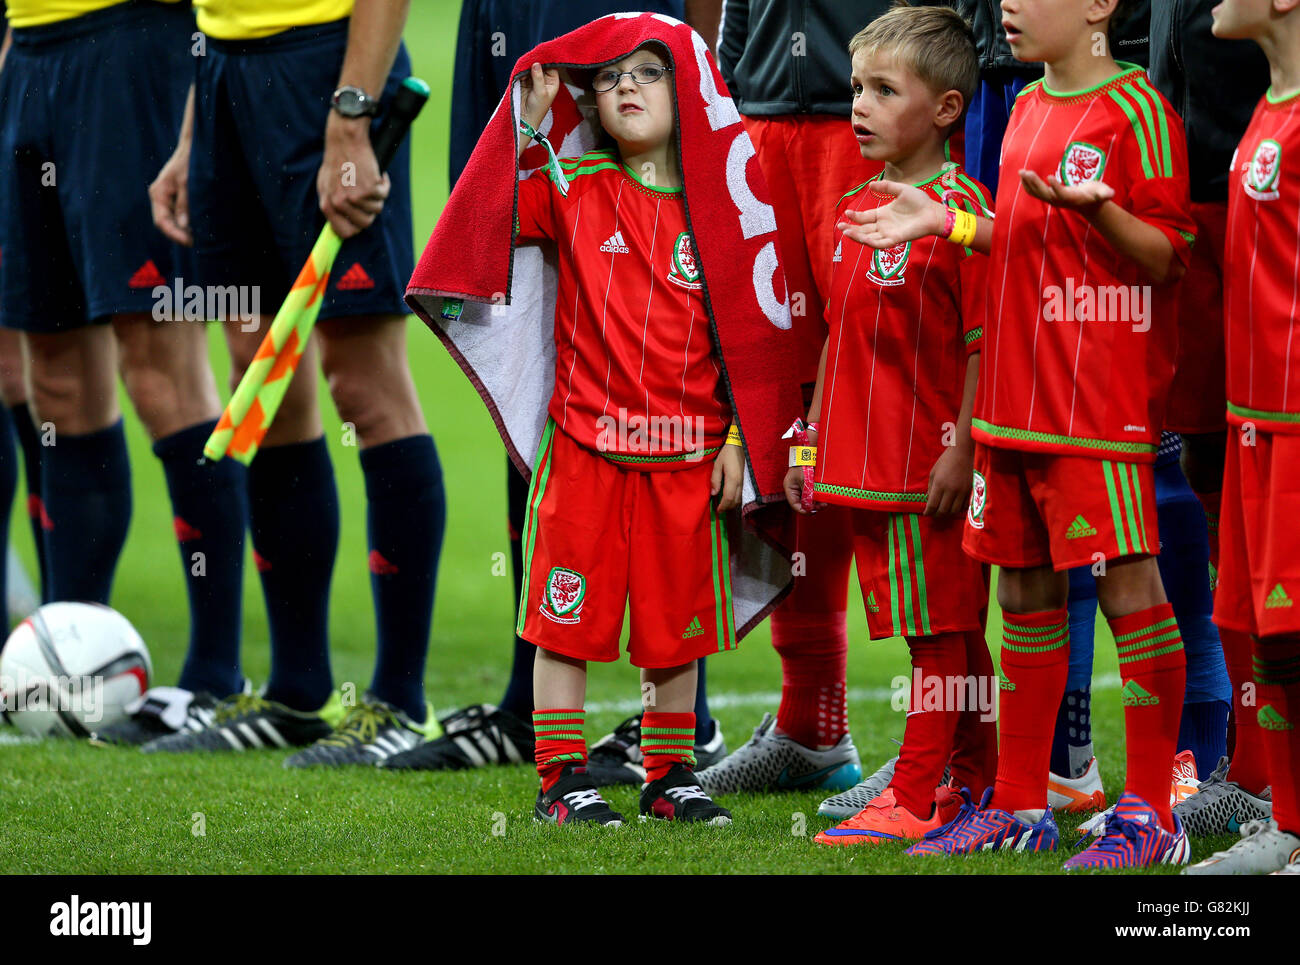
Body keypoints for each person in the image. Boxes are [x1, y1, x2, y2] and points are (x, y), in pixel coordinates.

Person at [850, 0, 1197, 869]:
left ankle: (1152, 812)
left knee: (1127, 584)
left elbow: (1168, 256)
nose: (1008, 5)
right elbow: (1025, 241)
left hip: (1096, 400)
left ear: (1098, 6)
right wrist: (950, 223)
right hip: (1014, 399)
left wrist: (1100, 214)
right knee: (1023, 593)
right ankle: (1016, 804)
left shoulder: (1139, 108)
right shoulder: (1029, 109)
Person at [384, 0, 732, 782]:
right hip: (585, 454)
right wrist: (522, 128)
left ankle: (672, 778)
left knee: (676, 630)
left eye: (649, 72)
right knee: (563, 621)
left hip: (686, 457)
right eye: (609, 78)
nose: (629, 88)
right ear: (592, 103)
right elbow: (481, 223)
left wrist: (738, 442)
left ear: (689, 88)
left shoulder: (721, 211)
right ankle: (560, 777)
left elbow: (745, 336)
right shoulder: (569, 185)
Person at [144, 0, 446, 763]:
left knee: (364, 382)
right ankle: (296, 692)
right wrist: (191, 134)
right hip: (223, 79)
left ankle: (399, 702)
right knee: (259, 370)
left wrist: (351, 114)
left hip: (327, 71)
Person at [768, 4, 998, 846]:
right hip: (863, 465)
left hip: (924, 469)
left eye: (882, 89)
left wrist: (962, 449)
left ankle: (912, 791)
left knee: (938, 637)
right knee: (945, 634)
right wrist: (809, 439)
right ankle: (975, 781)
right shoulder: (857, 204)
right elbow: (837, 337)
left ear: (944, 108)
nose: (857, 105)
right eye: (854, 87)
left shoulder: (961, 213)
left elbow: (983, 348)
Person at [0, 0, 248, 732]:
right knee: (56, 378)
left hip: (134, 48)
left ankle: (214, 671)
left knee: (159, 364)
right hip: (34, 52)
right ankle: (67, 659)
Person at [1183, 0, 1300, 876]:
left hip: (1295, 425)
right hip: (1254, 420)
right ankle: (1289, 823)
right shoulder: (1267, 102)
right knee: (1270, 632)